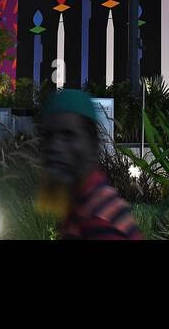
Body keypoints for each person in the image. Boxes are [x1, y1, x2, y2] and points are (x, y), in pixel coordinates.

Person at [36, 89, 142, 240]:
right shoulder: (81, 206)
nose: (55, 146)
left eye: (68, 135)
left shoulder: (100, 219)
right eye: (48, 136)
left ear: (92, 143)